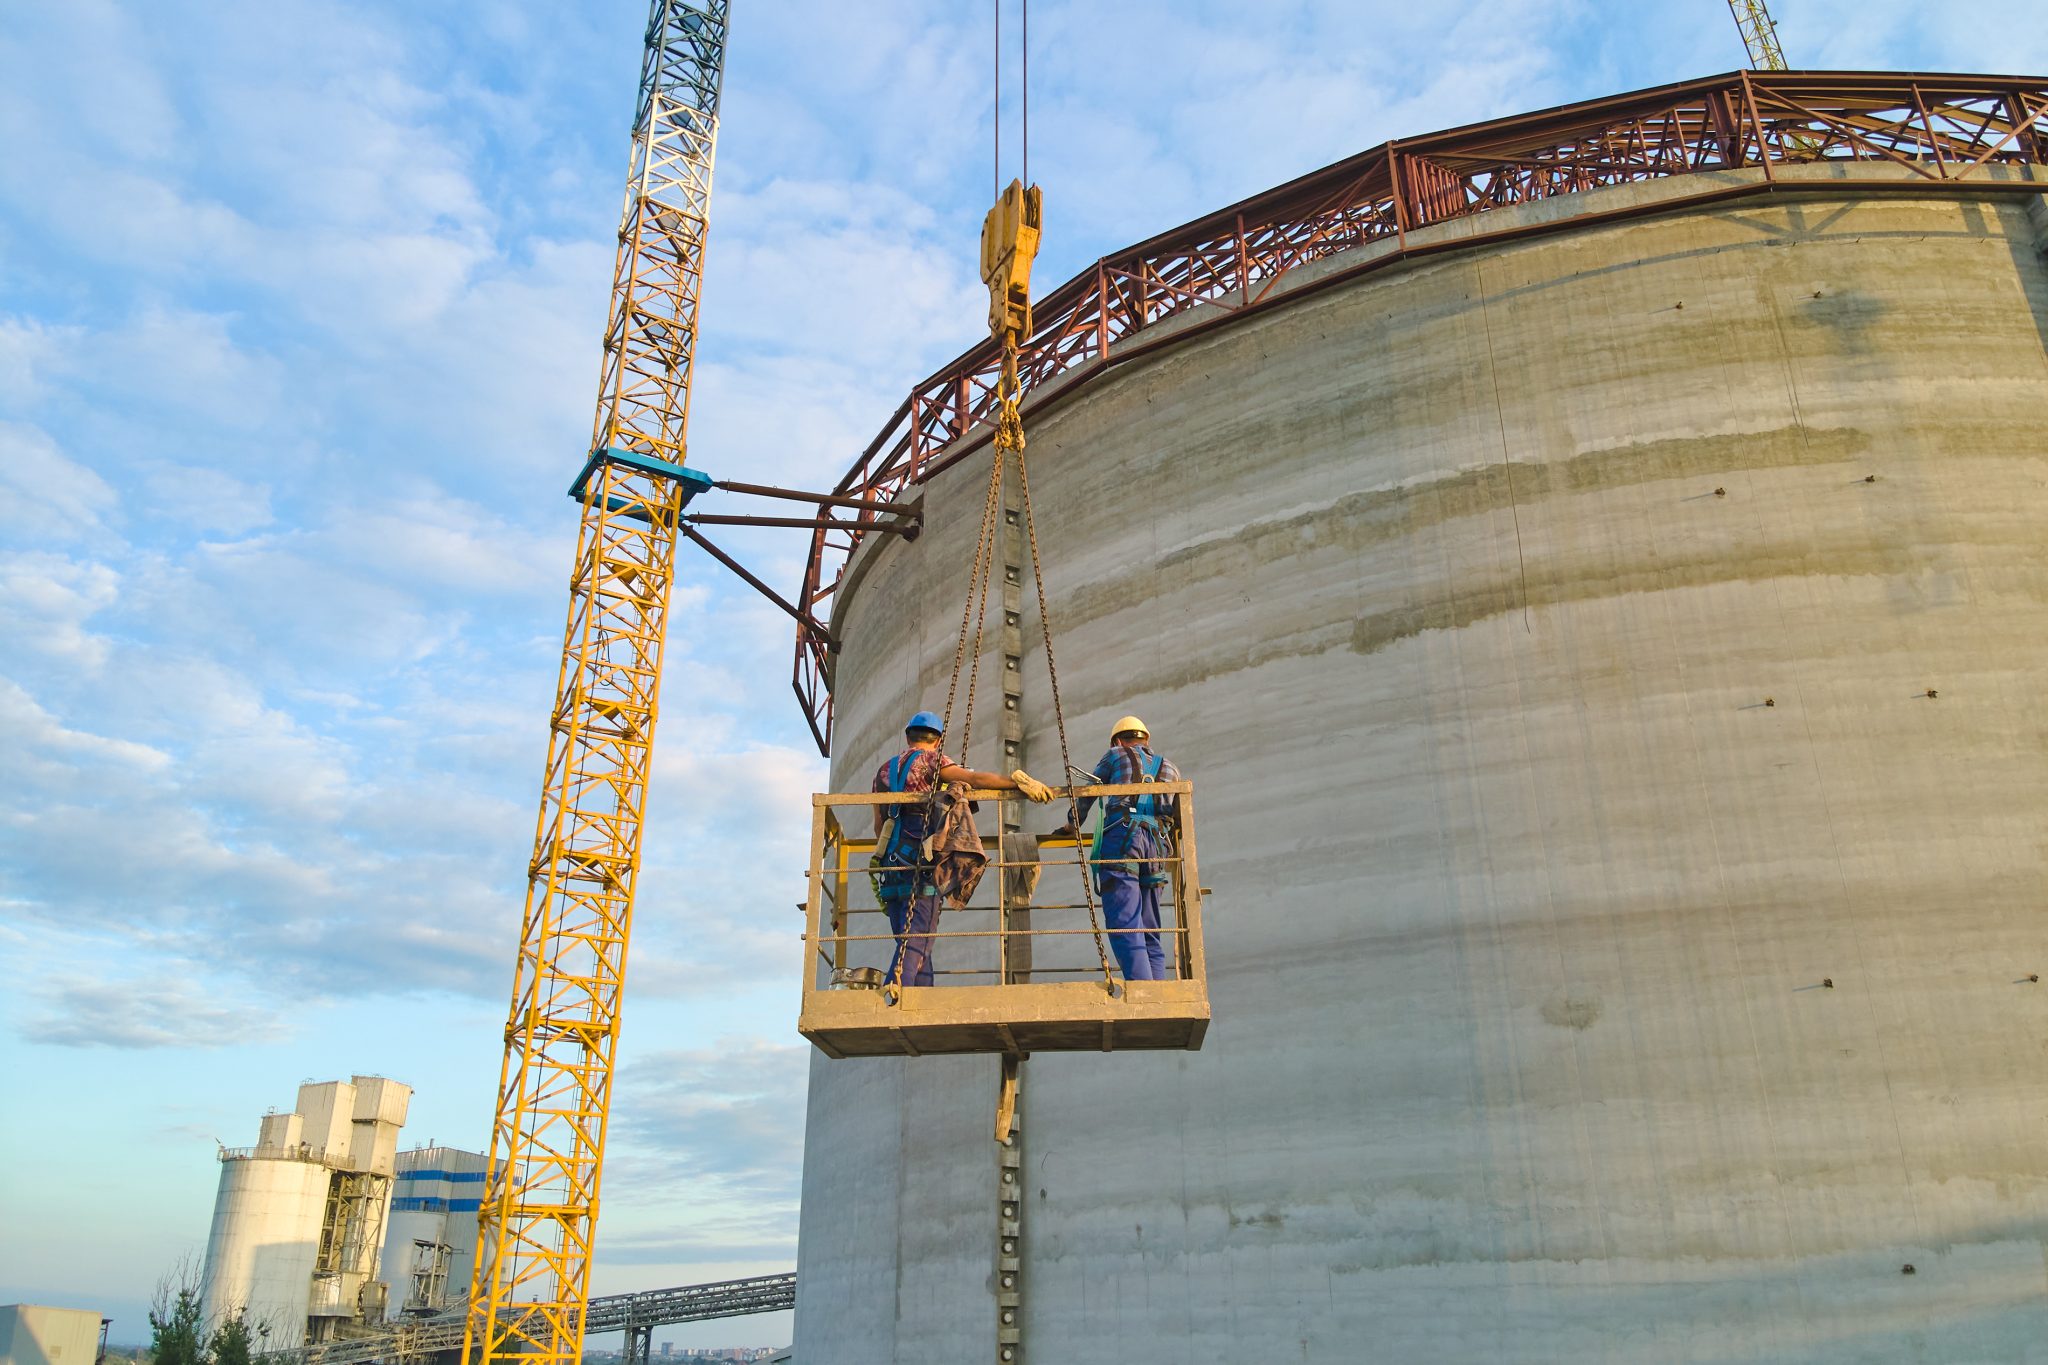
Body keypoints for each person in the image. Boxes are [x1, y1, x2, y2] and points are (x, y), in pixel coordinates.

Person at [871, 710, 1054, 990]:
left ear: (908, 736)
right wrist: (1016, 783)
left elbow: (878, 825)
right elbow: (976, 778)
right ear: (938, 739)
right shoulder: (932, 760)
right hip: (920, 861)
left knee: (913, 941)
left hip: (891, 864)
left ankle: (920, 997)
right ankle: (893, 993)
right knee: (918, 938)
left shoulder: (883, 771)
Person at [1062, 716, 1181, 981]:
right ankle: (1157, 991)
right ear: (1146, 740)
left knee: (1125, 922)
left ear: (1117, 740)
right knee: (1150, 928)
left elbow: (1091, 791)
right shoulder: (1171, 768)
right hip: (1157, 845)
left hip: (1124, 839)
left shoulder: (1115, 754)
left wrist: (1073, 823)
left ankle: (1143, 991)